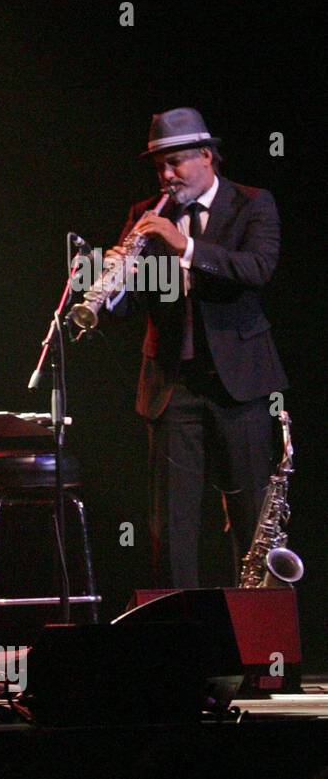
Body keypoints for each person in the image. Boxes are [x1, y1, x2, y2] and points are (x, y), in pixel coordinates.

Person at [106, 108, 286, 588]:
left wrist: (184, 246)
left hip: (237, 384)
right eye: (159, 166)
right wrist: (109, 284)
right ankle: (182, 653)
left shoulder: (252, 204)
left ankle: (261, 657)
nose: (166, 176)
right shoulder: (147, 214)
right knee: (172, 524)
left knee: (252, 519)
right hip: (172, 384)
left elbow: (256, 270)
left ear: (207, 156)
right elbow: (139, 301)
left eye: (176, 162)